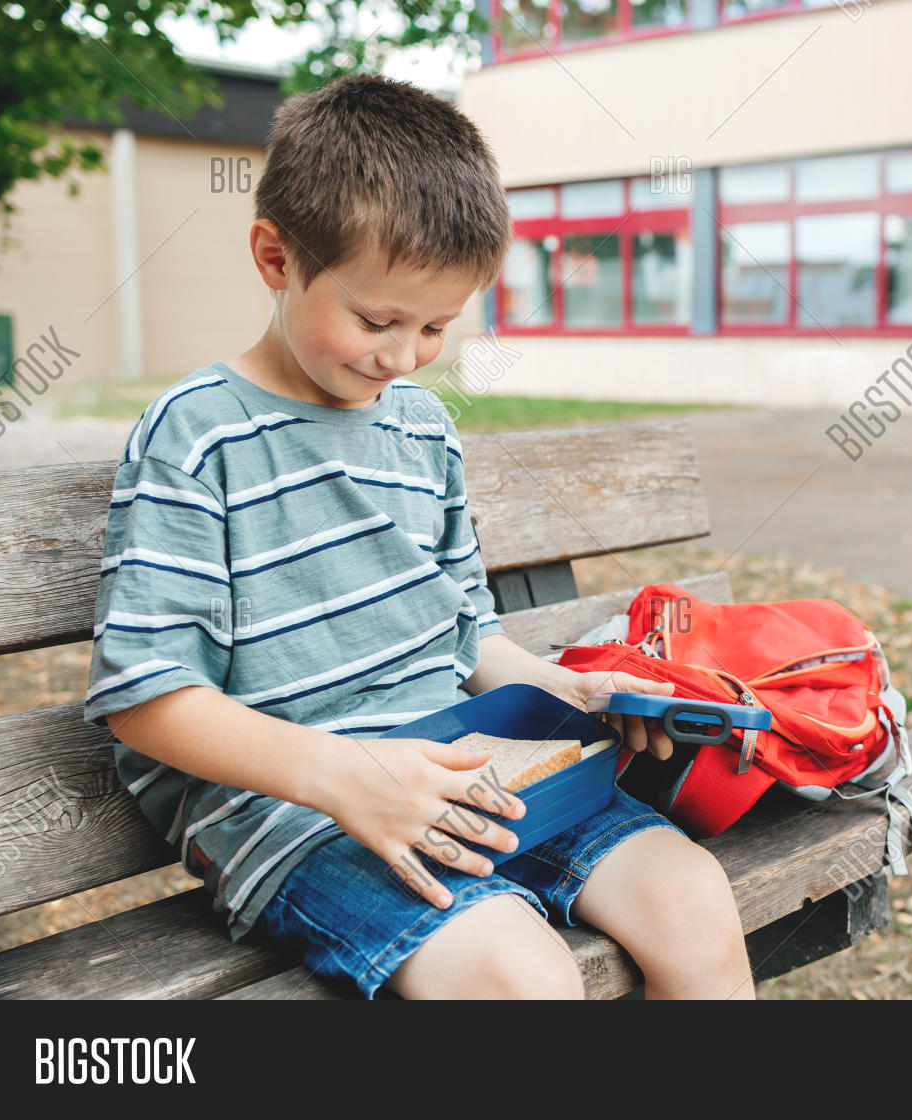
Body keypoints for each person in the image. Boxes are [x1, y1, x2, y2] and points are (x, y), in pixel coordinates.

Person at [83, 73, 753, 1000]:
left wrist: (572, 691)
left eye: (435, 326)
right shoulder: (199, 434)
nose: (402, 358)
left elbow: (464, 633)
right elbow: (145, 696)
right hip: (300, 814)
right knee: (522, 976)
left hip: (479, 777)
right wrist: (345, 776)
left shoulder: (423, 431)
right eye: (375, 320)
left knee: (693, 900)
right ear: (276, 258)